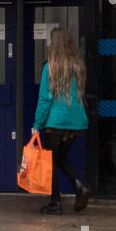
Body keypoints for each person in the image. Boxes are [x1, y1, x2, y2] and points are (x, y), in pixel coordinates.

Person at [33, 26, 91, 214]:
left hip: (55, 122)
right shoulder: (78, 66)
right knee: (60, 158)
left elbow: (45, 98)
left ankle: (55, 202)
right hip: (76, 122)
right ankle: (79, 186)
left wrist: (37, 124)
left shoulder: (50, 66)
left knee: (51, 161)